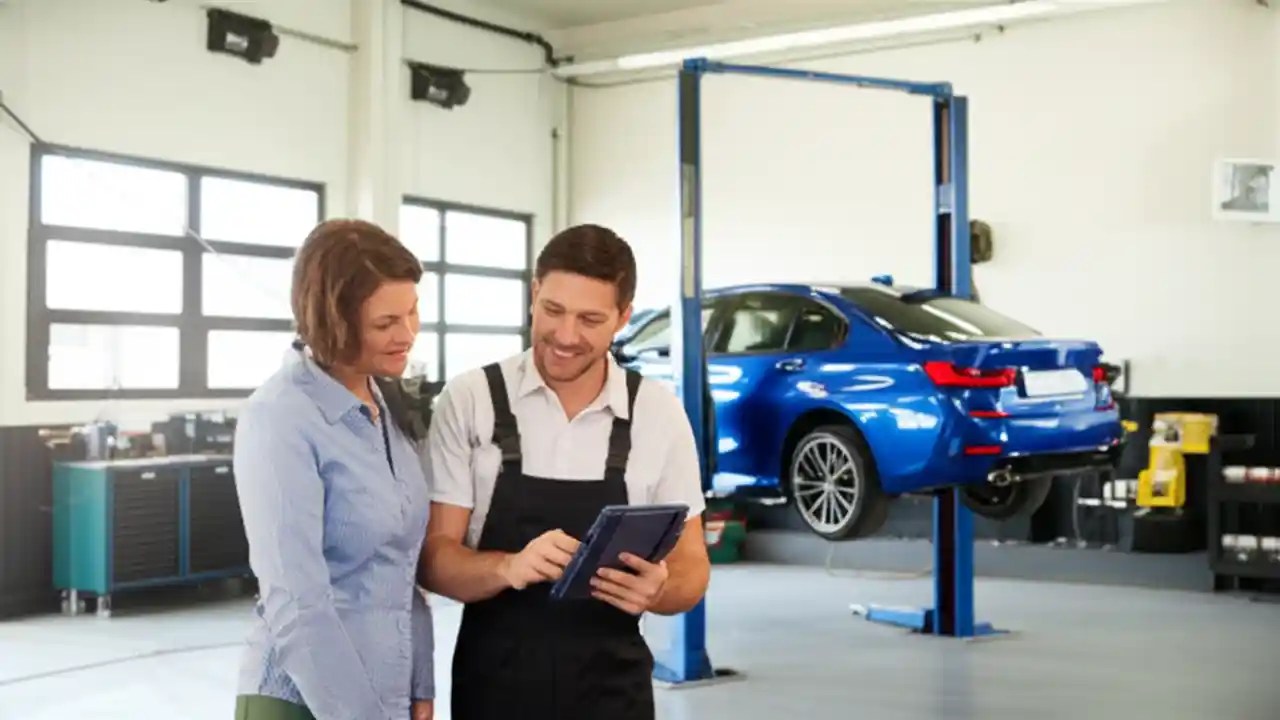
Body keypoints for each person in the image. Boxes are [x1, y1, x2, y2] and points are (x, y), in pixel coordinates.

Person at [418, 224, 712, 720]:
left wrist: (659, 589)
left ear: (623, 317)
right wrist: (507, 567)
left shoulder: (656, 414)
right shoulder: (471, 400)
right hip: (493, 691)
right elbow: (433, 560)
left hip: (613, 697)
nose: (566, 336)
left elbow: (693, 569)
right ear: (534, 294)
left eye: (590, 319)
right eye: (553, 310)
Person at [232, 219, 436, 720]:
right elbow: (297, 605)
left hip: (386, 695)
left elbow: (399, 564)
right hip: (303, 701)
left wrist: (420, 680)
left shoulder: (384, 404)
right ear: (334, 319)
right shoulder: (280, 417)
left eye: (412, 312)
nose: (407, 334)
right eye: (386, 323)